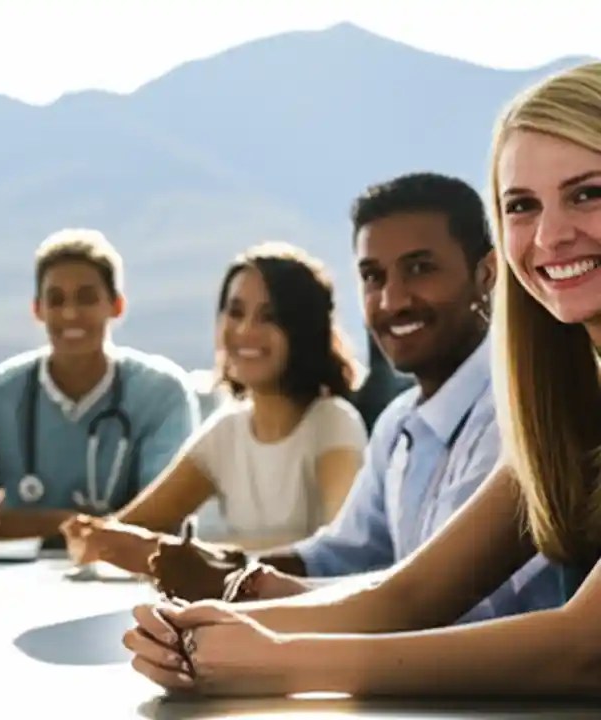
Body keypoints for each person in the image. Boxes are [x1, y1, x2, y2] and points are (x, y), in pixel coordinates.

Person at [123, 61, 601, 698]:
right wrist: (208, 628)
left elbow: (582, 649)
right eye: (521, 205)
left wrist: (277, 661)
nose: (550, 234)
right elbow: (410, 594)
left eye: (587, 193)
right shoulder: (562, 405)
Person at [62, 242, 367, 577]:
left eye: (270, 317)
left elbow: (340, 546)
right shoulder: (228, 430)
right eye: (235, 312)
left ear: (303, 331)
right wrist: (94, 536)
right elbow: (123, 533)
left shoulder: (333, 424)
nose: (245, 331)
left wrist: (201, 552)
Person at [0, 228, 200, 551]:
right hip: (12, 581)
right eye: (56, 300)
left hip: (125, 580)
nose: (70, 314)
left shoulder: (161, 393)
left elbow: (163, 519)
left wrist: (19, 523)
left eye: (86, 298)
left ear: (117, 306)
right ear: (37, 309)